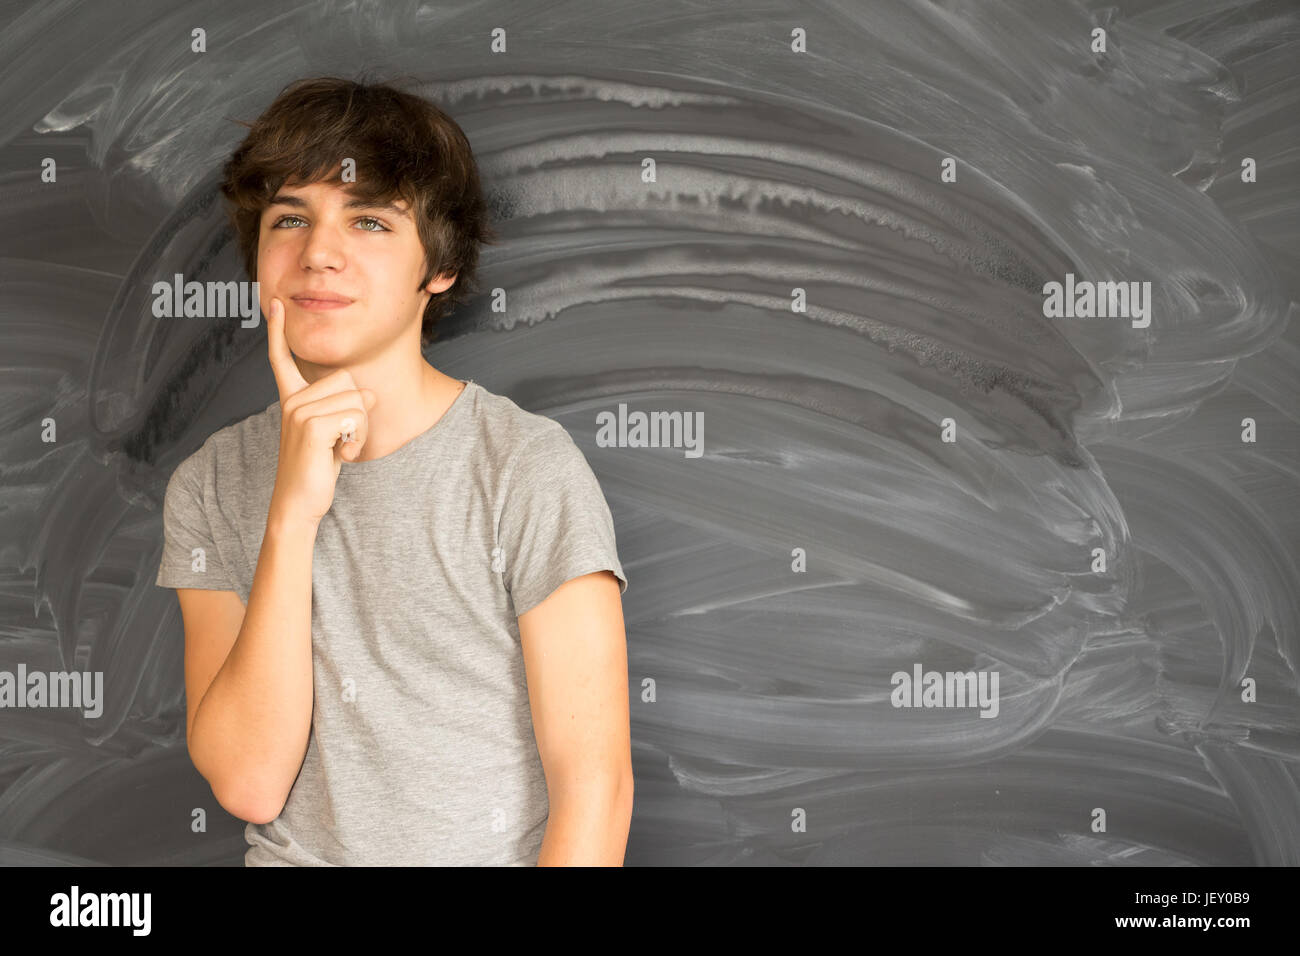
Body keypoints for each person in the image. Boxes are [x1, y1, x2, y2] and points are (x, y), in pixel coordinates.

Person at [154, 77, 632, 866]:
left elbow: (595, 792)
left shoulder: (524, 468)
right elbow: (249, 782)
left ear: (438, 266)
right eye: (289, 219)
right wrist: (292, 514)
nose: (319, 254)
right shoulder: (209, 485)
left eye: (369, 220)